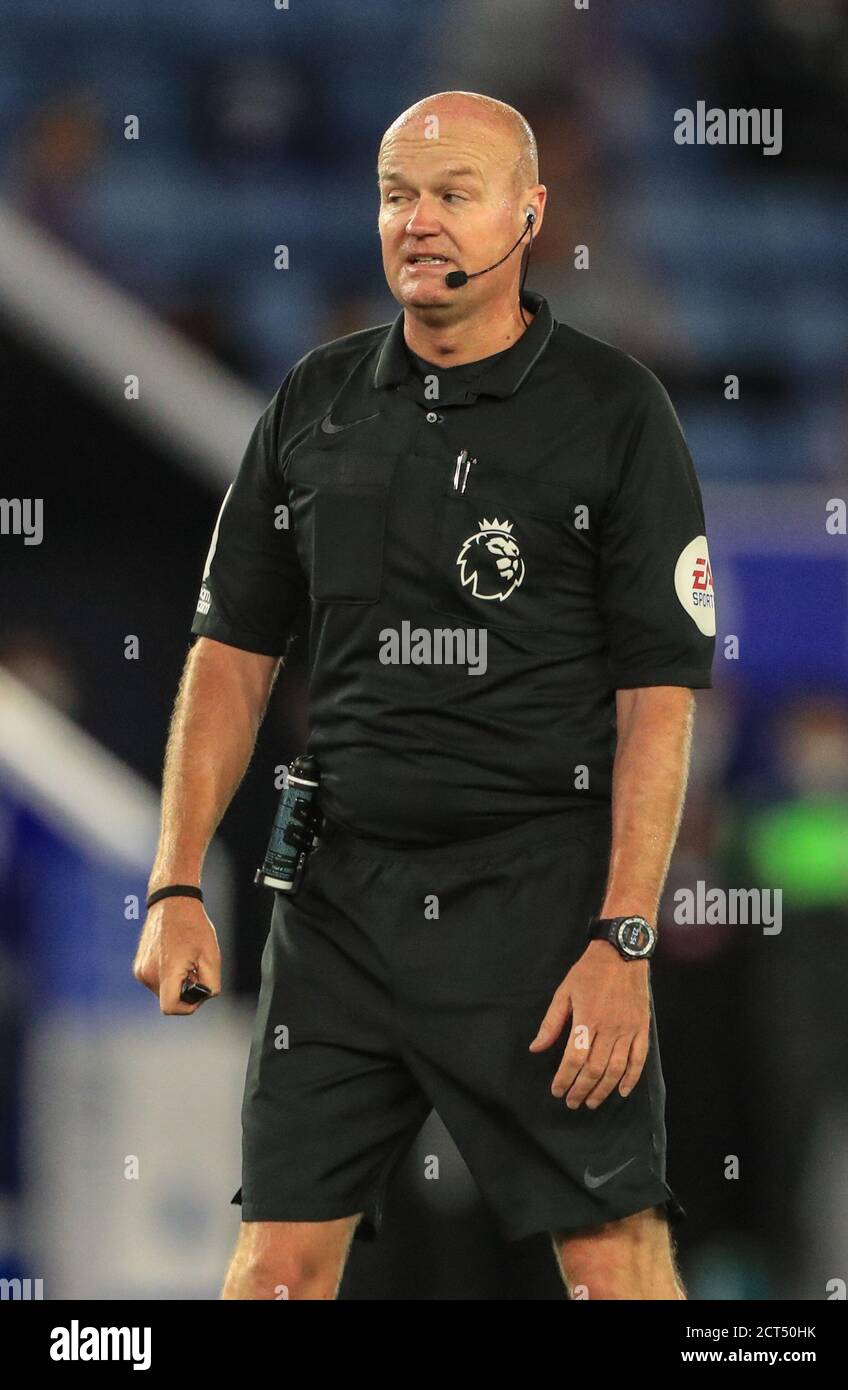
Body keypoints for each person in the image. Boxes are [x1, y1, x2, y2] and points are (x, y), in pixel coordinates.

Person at [133, 90, 716, 1300]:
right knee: (277, 1271)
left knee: (612, 1265)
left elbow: (657, 694)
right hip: (338, 903)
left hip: (538, 907)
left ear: (528, 213)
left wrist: (623, 936)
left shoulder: (615, 414)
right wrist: (177, 881)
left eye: (453, 193)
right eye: (398, 194)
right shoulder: (312, 402)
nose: (419, 221)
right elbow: (230, 656)